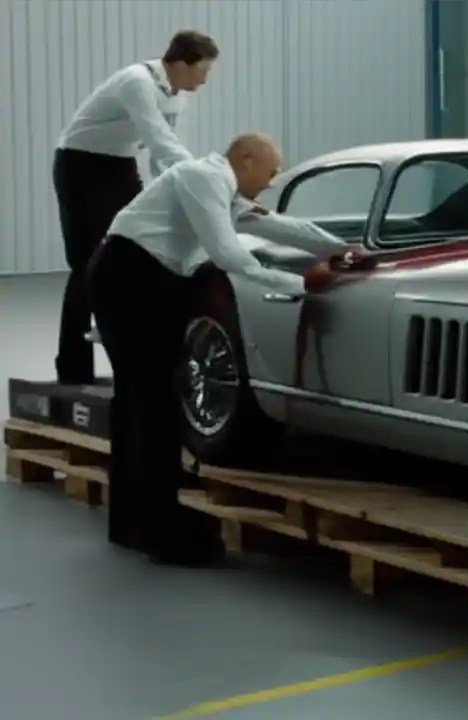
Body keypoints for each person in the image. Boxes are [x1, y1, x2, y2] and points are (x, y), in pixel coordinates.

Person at [86, 132, 354, 564]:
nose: (273, 180)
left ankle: (131, 524)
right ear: (245, 159)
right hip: (128, 279)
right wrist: (297, 285)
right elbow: (228, 253)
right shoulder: (203, 177)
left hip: (139, 278)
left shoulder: (218, 188)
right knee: (153, 405)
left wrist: (343, 250)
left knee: (138, 402)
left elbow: (279, 226)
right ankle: (163, 535)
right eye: (271, 170)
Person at [52, 30, 218, 386]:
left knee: (129, 253)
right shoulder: (137, 82)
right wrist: (203, 178)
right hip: (80, 164)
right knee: (87, 264)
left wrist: (179, 189)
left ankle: (132, 359)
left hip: (119, 165)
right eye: (203, 70)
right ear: (180, 63)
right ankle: (72, 366)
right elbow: (160, 140)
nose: (205, 79)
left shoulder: (177, 95)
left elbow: (162, 154)